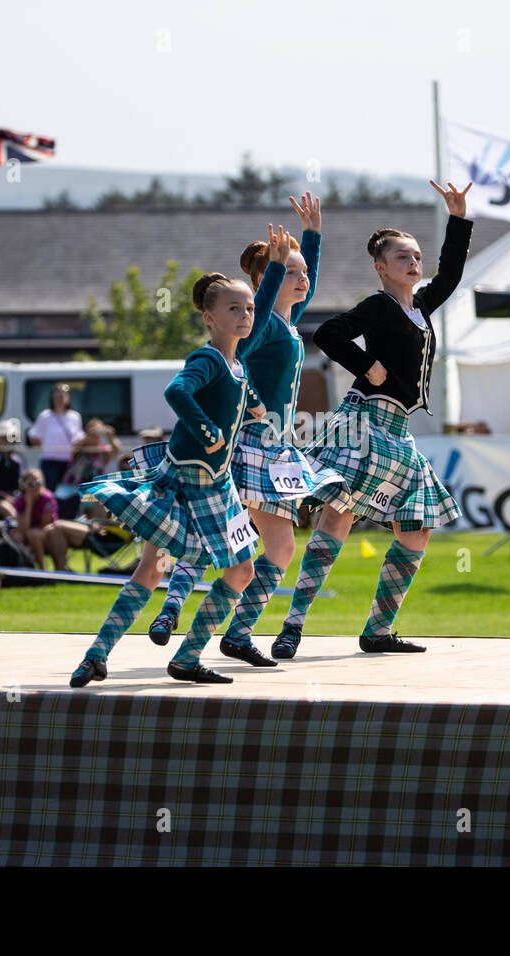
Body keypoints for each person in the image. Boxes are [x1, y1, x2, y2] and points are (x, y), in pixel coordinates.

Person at [270, 180, 474, 661]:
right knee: (339, 513)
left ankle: (377, 631)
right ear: (381, 267)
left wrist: (459, 218)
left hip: (398, 429)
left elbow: (451, 275)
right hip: (365, 422)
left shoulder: (420, 306)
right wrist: (366, 365)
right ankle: (292, 627)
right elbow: (328, 333)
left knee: (417, 527)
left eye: (416, 256)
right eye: (403, 257)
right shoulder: (380, 306)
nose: (414, 263)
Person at [143, 198, 342, 666]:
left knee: (238, 537)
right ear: (267, 279)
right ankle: (204, 620)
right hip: (250, 443)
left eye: (302, 272)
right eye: (291, 272)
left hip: (272, 447)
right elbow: (273, 294)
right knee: (245, 539)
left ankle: (207, 621)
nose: (303, 278)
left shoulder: (285, 324)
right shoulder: (261, 326)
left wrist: (312, 236)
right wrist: (280, 265)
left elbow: (302, 288)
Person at [68, 268, 269, 687]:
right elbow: (177, 391)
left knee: (221, 572)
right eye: (234, 308)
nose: (247, 315)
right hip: (191, 484)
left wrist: (252, 402)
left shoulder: (235, 363)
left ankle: (116, 656)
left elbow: (257, 327)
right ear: (209, 318)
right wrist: (208, 431)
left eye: (249, 308)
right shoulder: (208, 358)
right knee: (196, 571)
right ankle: (139, 656)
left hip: (216, 485)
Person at [28, 384, 84, 490]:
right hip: (49, 462)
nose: (60, 400)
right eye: (57, 397)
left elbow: (78, 439)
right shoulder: (45, 416)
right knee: (50, 491)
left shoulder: (75, 417)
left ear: (68, 399)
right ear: (52, 399)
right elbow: (34, 436)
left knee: (68, 492)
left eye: (62, 397)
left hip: (68, 463)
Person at [11, 468, 58, 568]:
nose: (35, 487)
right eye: (31, 484)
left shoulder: (47, 498)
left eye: (38, 483)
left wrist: (26, 531)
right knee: (15, 535)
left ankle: (42, 570)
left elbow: (44, 524)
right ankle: (23, 569)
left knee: (33, 534)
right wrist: (29, 504)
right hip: (29, 532)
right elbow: (23, 528)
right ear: (24, 486)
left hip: (50, 533)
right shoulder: (20, 500)